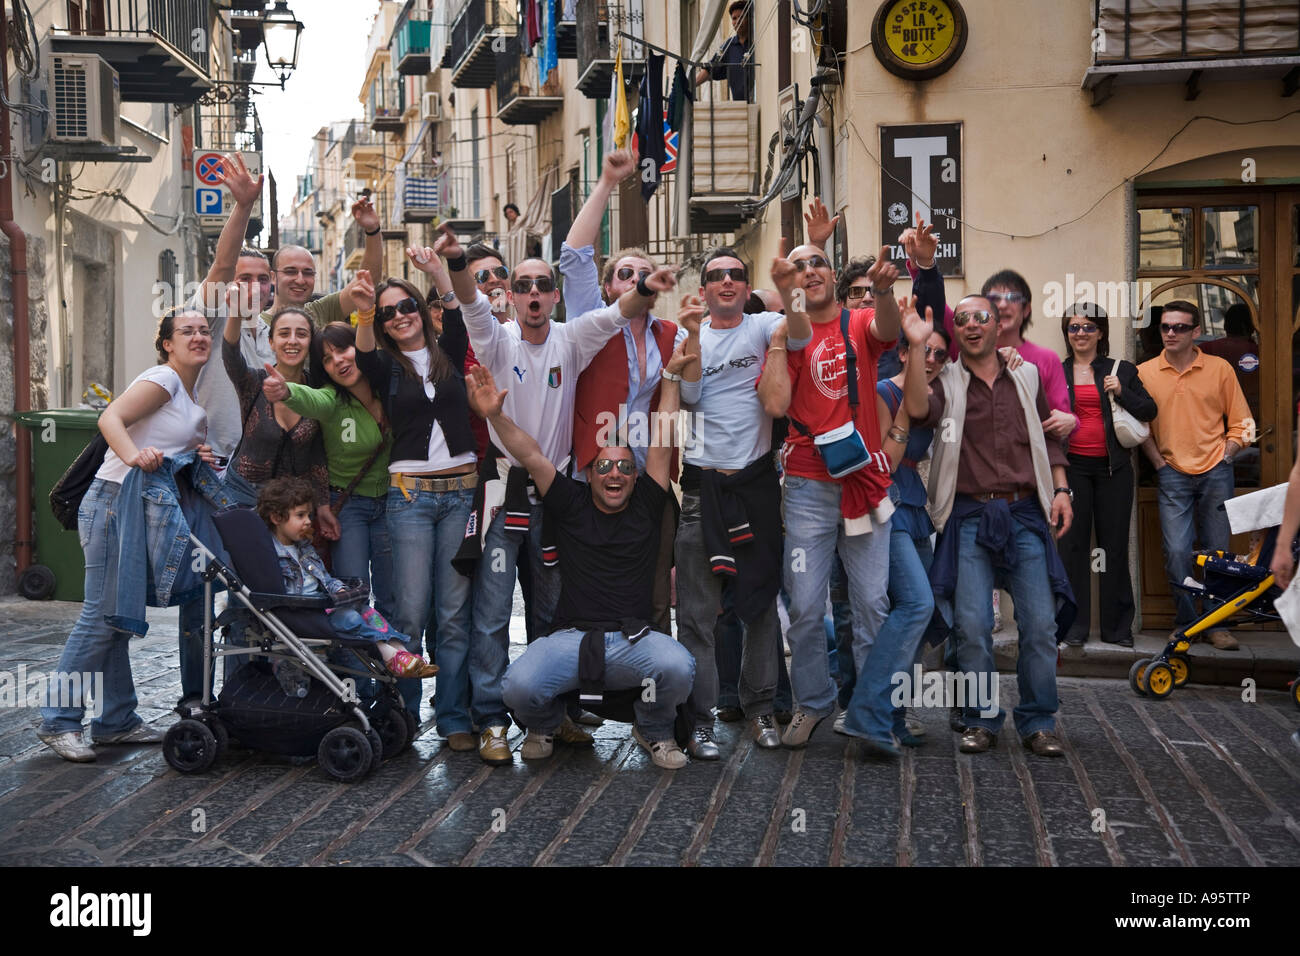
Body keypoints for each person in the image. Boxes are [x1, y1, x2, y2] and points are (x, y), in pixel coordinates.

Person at [440, 225, 656, 765]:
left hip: (558, 495)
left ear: (554, 295)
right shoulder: (496, 338)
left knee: (555, 612)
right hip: (503, 493)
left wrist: (651, 287)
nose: (534, 295)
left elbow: (618, 311)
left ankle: (549, 714)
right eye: (523, 286)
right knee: (490, 612)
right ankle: (491, 717)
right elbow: (468, 301)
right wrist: (458, 260)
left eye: (543, 285)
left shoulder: (571, 337)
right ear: (511, 296)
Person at [472, 312, 696, 770]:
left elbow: (663, 437)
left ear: (635, 477)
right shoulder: (570, 501)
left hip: (633, 642)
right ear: (589, 473)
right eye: (605, 466)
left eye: (624, 467)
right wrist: (495, 415)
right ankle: (546, 722)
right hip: (572, 641)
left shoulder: (647, 503)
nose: (615, 474)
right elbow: (531, 454)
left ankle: (654, 731)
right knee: (518, 685)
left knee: (678, 668)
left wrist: (669, 377)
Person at [37, 308, 227, 761]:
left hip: (137, 509)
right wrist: (134, 454)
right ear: (167, 343)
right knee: (101, 617)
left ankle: (116, 720)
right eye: (187, 331)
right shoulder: (162, 379)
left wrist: (193, 452)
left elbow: (167, 443)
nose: (198, 337)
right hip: (112, 503)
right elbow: (111, 419)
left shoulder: (187, 393)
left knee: (117, 617)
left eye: (204, 331)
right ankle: (58, 720)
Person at [758, 236, 908, 753]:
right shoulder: (789, 333)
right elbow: (776, 403)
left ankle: (868, 713)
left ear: (834, 273)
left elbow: (888, 328)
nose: (809, 271)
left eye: (818, 262)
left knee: (871, 605)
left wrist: (885, 293)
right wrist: (784, 323)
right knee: (803, 606)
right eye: (799, 268)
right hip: (805, 486)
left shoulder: (859, 321)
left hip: (862, 482)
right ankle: (814, 704)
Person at [925, 293, 1075, 758]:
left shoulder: (1026, 375)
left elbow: (1045, 437)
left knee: (1040, 623)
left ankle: (1038, 720)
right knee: (971, 625)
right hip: (969, 516)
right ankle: (980, 718)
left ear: (998, 326)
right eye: (963, 319)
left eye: (981, 317)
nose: (972, 325)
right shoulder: (944, 381)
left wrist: (1063, 489)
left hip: (1025, 513)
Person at [344, 253, 480, 746]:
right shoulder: (385, 366)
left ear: (421, 310)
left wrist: (441, 268)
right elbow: (361, 357)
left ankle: (453, 717)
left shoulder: (451, 350)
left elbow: (461, 310)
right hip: (411, 497)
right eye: (388, 312)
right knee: (408, 611)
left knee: (452, 612)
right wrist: (362, 310)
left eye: (406, 306)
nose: (399, 315)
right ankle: (400, 717)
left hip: (461, 492)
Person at [675, 246, 806, 758]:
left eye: (736, 275)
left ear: (746, 288)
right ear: (704, 289)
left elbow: (799, 332)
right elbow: (686, 398)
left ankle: (760, 710)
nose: (727, 281)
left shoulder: (765, 326)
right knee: (698, 616)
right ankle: (700, 722)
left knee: (759, 611)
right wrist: (688, 335)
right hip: (700, 492)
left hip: (754, 487)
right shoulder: (691, 334)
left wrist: (789, 280)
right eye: (716, 275)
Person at [562, 148, 686, 635]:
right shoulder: (592, 324)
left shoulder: (671, 334)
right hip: (595, 471)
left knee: (656, 587)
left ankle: (658, 693)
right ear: (609, 287)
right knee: (589, 584)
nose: (635, 280)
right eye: (625, 274)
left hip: (649, 476)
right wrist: (607, 183)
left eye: (643, 273)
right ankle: (587, 686)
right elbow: (574, 257)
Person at [834, 305, 948, 751]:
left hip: (918, 511)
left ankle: (892, 715)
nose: (933, 358)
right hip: (886, 507)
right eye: (923, 350)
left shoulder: (937, 394)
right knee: (915, 605)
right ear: (903, 353)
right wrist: (903, 416)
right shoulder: (884, 392)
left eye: (940, 353)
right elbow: (885, 462)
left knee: (921, 615)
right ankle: (866, 710)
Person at [1139, 299, 1254, 650]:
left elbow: (1244, 425)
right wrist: (1158, 462)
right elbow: (1138, 426)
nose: (1170, 333)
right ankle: (1188, 622)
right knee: (1176, 551)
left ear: (1196, 332)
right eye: (1165, 327)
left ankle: (1217, 624)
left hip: (1217, 472)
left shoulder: (1219, 369)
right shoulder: (1145, 372)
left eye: (1179, 327)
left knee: (1218, 553)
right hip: (1172, 472)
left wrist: (1227, 453)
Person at [262, 321, 394, 626]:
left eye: (343, 349)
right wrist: (286, 390)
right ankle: (353, 675)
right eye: (327, 358)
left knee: (393, 598)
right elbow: (311, 399)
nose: (338, 361)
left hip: (393, 503)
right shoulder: (331, 399)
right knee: (353, 597)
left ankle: (398, 669)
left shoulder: (389, 388)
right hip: (349, 508)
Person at [254, 476, 436, 678]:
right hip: (303, 613)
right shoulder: (269, 554)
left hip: (322, 606)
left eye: (308, 514)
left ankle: (401, 652)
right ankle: (389, 655)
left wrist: (337, 589)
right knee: (350, 618)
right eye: (300, 515)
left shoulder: (304, 547)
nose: (308, 521)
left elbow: (324, 578)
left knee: (367, 612)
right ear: (276, 518)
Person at [1058, 303, 1157, 648]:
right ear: (1066, 333)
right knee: (1071, 548)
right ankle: (1073, 628)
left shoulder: (1122, 370)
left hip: (1113, 470)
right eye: (1074, 328)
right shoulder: (1058, 372)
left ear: (1101, 332)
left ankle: (1117, 629)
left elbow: (1149, 410)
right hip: (1072, 470)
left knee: (1113, 548)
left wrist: (1121, 391)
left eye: (1088, 327)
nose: (1080, 334)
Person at [221, 305, 331, 531]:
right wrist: (235, 311)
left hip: (293, 507)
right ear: (271, 342)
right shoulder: (253, 382)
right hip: (243, 496)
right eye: (284, 333)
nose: (292, 341)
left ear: (310, 343)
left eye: (301, 334)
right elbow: (230, 353)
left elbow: (317, 456)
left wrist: (323, 507)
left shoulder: (317, 390)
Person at [264, 196, 380, 329]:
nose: (300, 280)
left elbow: (367, 281)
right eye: (291, 271)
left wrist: (373, 230)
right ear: (273, 277)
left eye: (308, 273)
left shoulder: (321, 311)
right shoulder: (255, 327)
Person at [694, 0, 753, 103]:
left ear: (750, 18)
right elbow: (710, 69)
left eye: (741, 17)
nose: (738, 21)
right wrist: (688, 85)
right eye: (734, 18)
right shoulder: (729, 46)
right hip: (739, 107)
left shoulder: (756, 41)